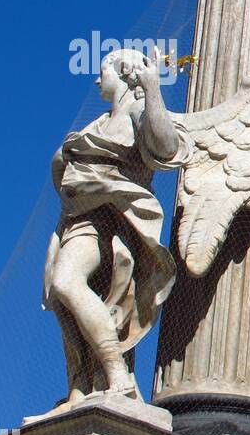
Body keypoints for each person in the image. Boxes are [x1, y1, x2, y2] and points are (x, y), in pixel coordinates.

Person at [43, 49, 189, 406]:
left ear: (125, 72)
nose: (97, 79)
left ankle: (117, 373)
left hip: (110, 223)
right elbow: (62, 166)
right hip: (77, 219)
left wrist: (153, 88)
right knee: (63, 301)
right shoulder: (97, 124)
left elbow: (166, 147)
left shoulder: (138, 112)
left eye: (103, 71)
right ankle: (81, 386)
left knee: (66, 281)